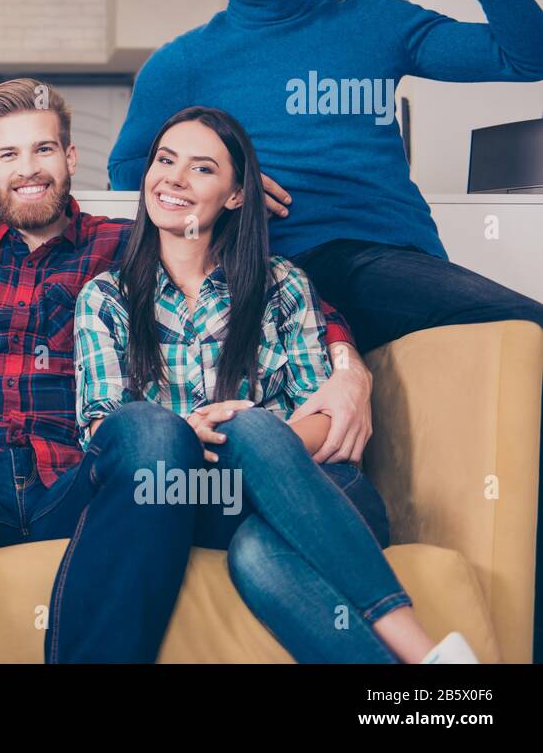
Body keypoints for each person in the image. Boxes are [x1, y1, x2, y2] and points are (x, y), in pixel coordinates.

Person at [0, 78, 369, 662]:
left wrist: (350, 370)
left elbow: (290, 299)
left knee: (148, 427)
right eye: (7, 155)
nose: (28, 170)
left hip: (81, 484)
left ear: (69, 157)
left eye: (43, 150)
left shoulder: (126, 246)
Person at [78, 105, 476, 663]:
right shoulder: (105, 298)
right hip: (198, 504)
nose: (174, 178)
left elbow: (327, 419)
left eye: (202, 168)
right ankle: (435, 660)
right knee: (238, 435)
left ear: (237, 195)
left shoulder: (281, 284)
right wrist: (190, 437)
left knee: (258, 551)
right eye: (165, 160)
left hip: (320, 492)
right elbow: (99, 430)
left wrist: (258, 439)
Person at [108, 0, 543, 357]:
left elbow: (526, 58)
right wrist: (230, 187)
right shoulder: (180, 63)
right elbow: (126, 169)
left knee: (522, 338)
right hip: (272, 275)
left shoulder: (373, 23)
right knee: (529, 327)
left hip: (395, 261)